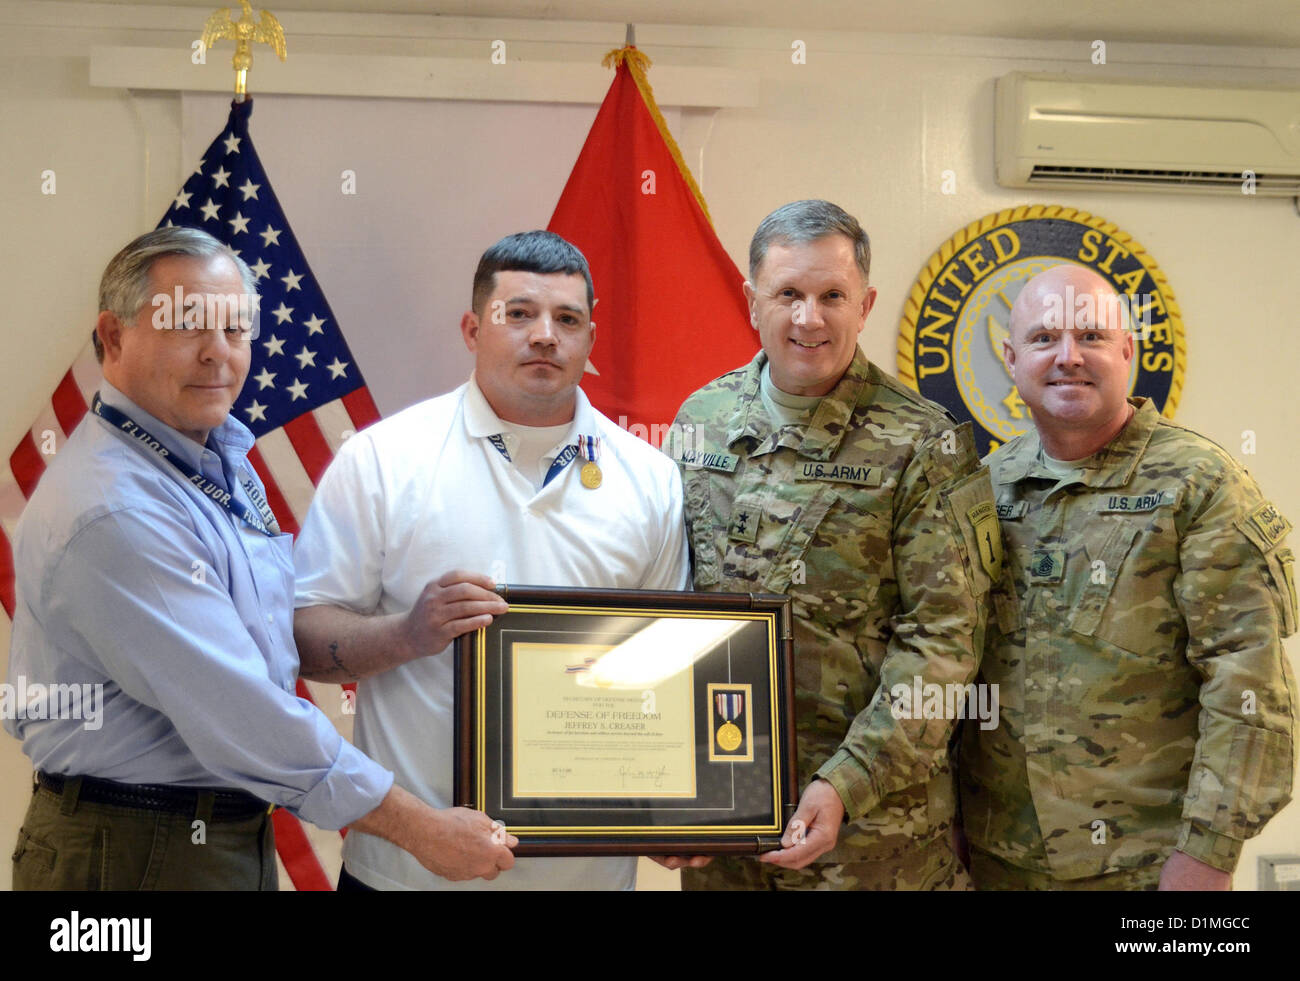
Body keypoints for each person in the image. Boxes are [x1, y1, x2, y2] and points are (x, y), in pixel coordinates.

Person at [5, 227, 515, 890]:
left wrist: (407, 634)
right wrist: (419, 827)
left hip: (212, 834)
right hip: (131, 851)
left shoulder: (214, 454)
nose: (219, 354)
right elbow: (245, 714)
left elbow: (268, 636)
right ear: (113, 337)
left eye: (236, 329)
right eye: (189, 324)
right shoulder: (117, 508)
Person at [292, 230, 689, 891]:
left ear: (592, 338)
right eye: (519, 313)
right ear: (472, 328)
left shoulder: (651, 479)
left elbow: (671, 668)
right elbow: (302, 639)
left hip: (586, 877)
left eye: (567, 319)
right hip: (409, 875)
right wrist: (406, 633)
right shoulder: (383, 461)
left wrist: (687, 809)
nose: (544, 335)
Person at [665, 200, 998, 890]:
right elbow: (669, 609)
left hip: (873, 842)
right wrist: (662, 791)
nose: (808, 318)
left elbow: (944, 644)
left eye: (831, 296)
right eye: (788, 293)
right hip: (724, 828)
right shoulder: (702, 420)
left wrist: (846, 782)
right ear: (751, 298)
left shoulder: (923, 442)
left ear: (866, 303)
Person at [960, 263, 1297, 890]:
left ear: (1127, 350)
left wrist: (1207, 857)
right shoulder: (988, 486)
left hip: (1150, 869)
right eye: (1044, 339)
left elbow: (1248, 685)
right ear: (1011, 358)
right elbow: (955, 663)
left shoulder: (1201, 485)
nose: (1069, 357)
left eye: (1090, 337)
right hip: (997, 860)